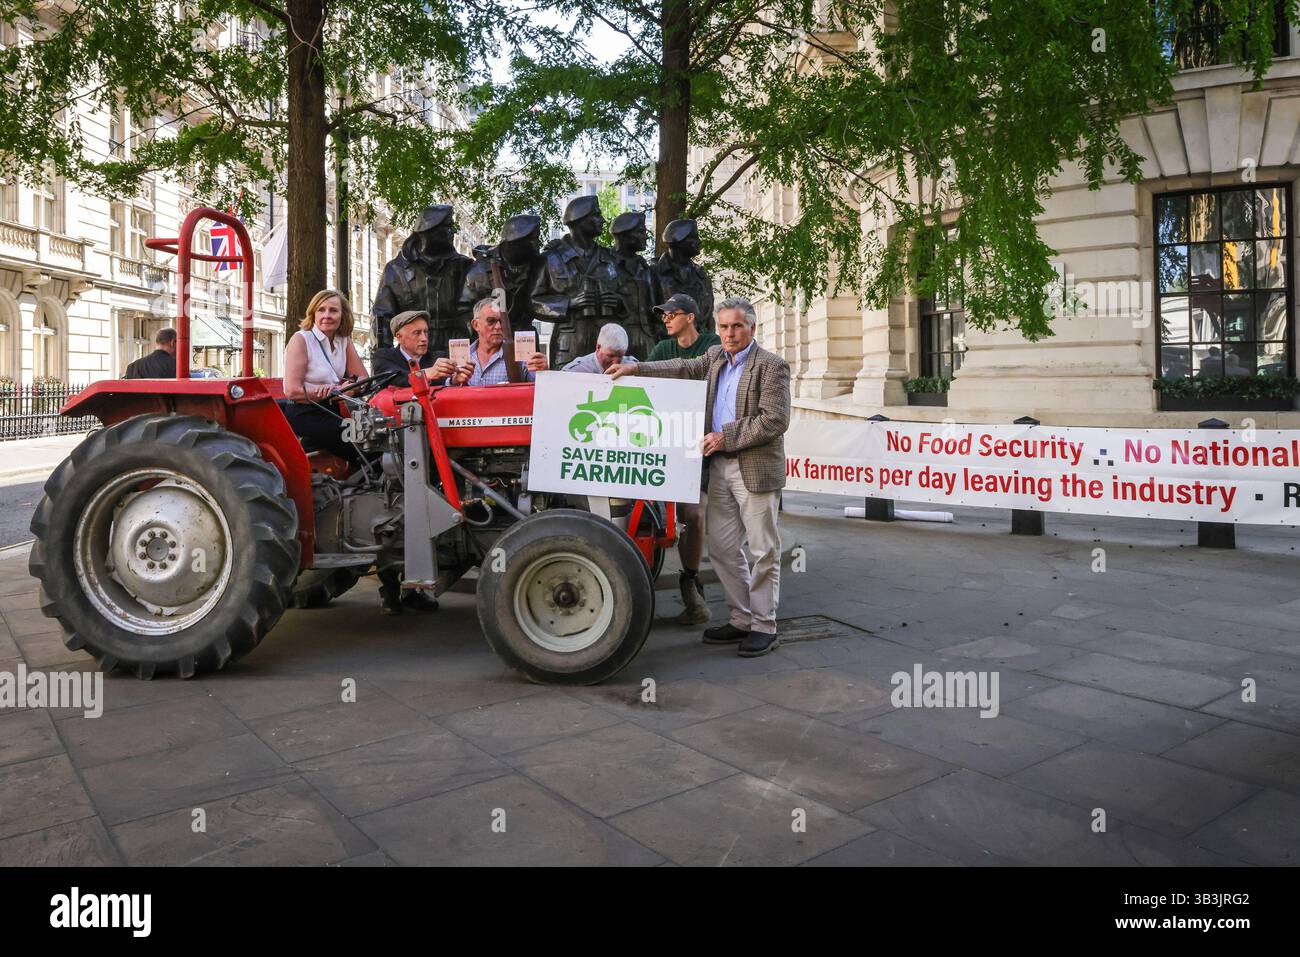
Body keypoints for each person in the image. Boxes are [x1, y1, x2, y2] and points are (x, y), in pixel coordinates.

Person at [607, 297, 790, 657]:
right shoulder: (715, 359)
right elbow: (680, 367)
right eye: (724, 326)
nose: (730, 333)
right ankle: (741, 619)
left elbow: (775, 419)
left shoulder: (771, 366)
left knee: (763, 549)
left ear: (752, 327)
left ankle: (764, 625)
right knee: (721, 548)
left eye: (737, 326)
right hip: (719, 466)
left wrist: (726, 436)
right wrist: (634, 369)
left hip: (754, 467)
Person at [639, 293, 721, 622]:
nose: (665, 319)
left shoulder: (712, 344)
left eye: (672, 314)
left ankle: (691, 579)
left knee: (694, 514)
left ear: (690, 317)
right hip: (670, 442)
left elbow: (699, 373)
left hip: (704, 444)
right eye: (663, 315)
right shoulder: (661, 350)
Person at [282, 289, 368, 464]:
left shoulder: (343, 341)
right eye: (321, 310)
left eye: (333, 310)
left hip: (332, 410)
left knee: (374, 433)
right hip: (305, 412)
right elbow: (291, 390)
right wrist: (334, 392)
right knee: (364, 444)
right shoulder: (301, 340)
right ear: (313, 314)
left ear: (343, 316)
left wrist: (350, 388)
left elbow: (363, 378)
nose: (327, 315)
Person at [372, 204, 473, 352]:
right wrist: (383, 361)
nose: (454, 231)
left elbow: (478, 314)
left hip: (458, 355)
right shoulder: (395, 270)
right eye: (449, 226)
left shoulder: (463, 266)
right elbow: (381, 318)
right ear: (431, 232)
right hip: (414, 357)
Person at [450, 298, 549, 386]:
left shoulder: (519, 357)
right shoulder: (461, 355)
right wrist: (454, 381)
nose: (498, 327)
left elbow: (539, 388)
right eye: (491, 321)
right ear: (476, 325)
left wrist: (543, 372)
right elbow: (446, 390)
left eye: (502, 321)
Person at [370, 310, 459, 381]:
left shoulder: (438, 358)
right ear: (399, 337)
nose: (424, 338)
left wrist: (454, 380)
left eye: (426, 332)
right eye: (417, 333)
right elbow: (394, 378)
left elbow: (444, 381)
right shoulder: (383, 357)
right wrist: (426, 374)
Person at [562, 323, 638, 374]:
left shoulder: (632, 366)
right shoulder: (575, 371)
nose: (615, 363)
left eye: (620, 356)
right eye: (610, 356)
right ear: (598, 347)